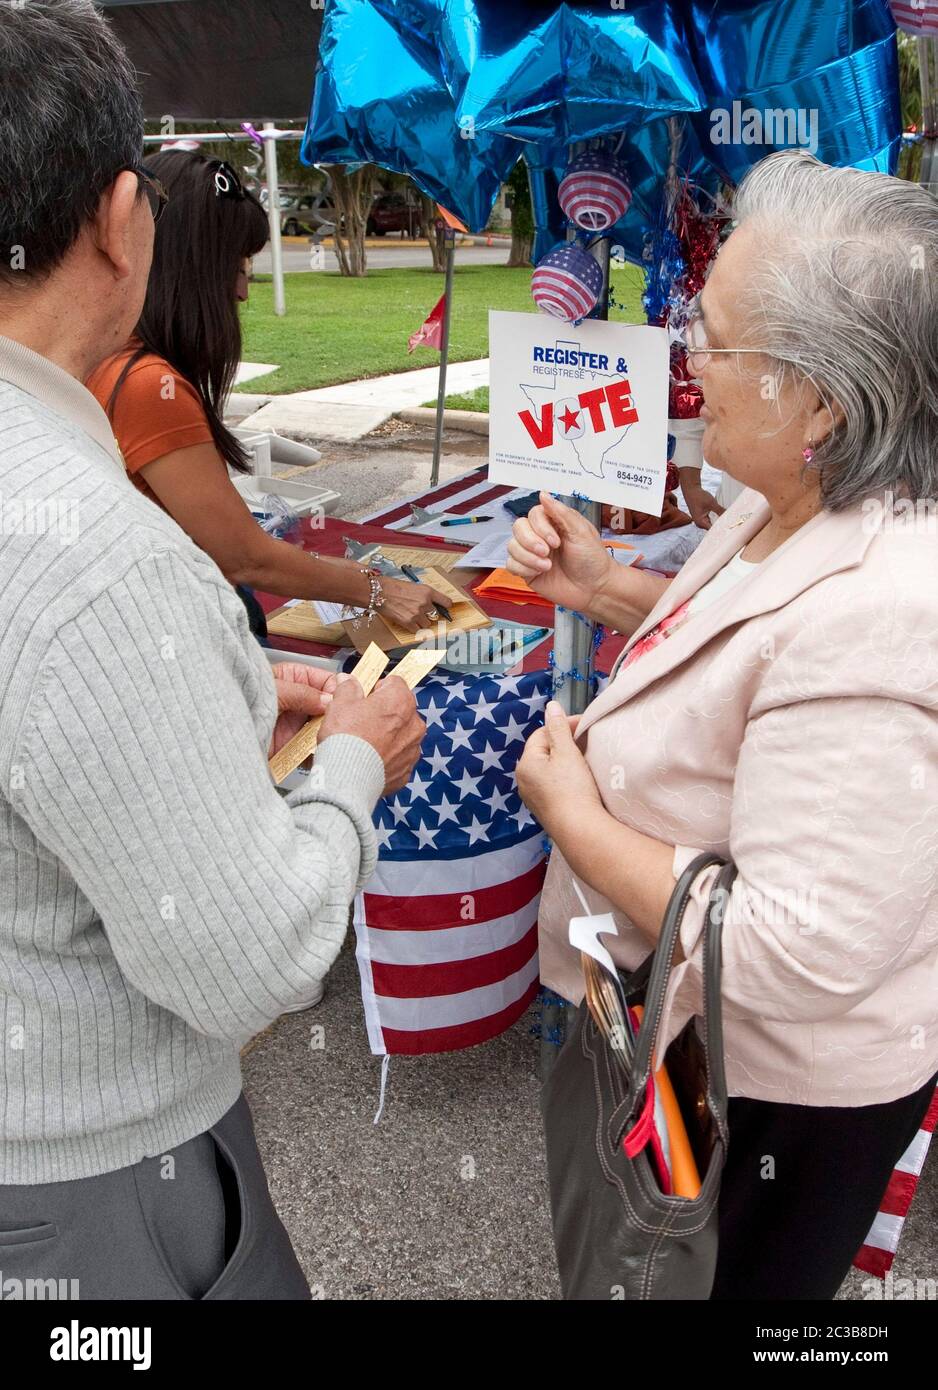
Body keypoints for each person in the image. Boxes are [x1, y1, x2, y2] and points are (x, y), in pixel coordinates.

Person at [0, 0, 424, 1299]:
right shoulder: (95, 549)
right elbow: (244, 959)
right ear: (123, 222)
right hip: (95, 1192)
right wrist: (350, 765)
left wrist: (218, 705)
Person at [508, 150, 938, 1300]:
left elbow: (791, 952)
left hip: (757, 1086)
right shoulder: (782, 499)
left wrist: (573, 817)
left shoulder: (885, 611)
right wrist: (605, 587)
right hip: (671, 1024)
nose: (687, 351)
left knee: (690, 1279)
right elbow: (745, 647)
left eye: (714, 333)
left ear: (822, 401)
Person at [86, 148, 450, 636]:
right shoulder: (149, 387)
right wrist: (380, 590)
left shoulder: (107, 356)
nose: (243, 292)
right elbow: (242, 558)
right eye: (236, 267)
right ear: (193, 270)